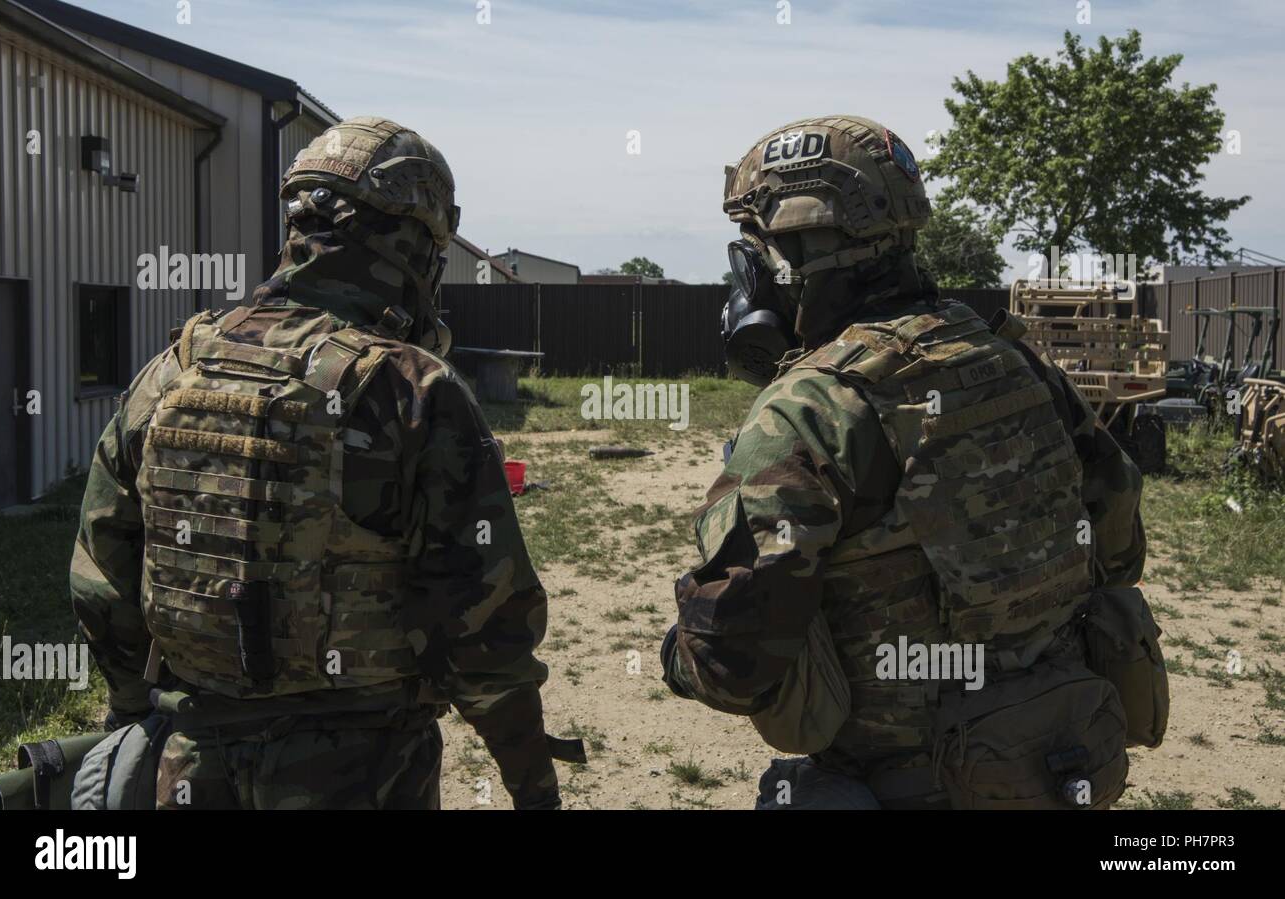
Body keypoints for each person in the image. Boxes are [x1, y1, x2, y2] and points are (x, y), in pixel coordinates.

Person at [70, 116, 564, 809]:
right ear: (411, 246)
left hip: (188, 765)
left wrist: (134, 714)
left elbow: (102, 578)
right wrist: (531, 783)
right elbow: (485, 629)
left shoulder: (172, 369)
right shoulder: (412, 389)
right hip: (363, 769)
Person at [660, 116, 1148, 809]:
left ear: (797, 251)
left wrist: (677, 654)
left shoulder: (808, 409)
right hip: (1059, 762)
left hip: (908, 783)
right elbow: (1121, 547)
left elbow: (734, 661)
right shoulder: (1018, 362)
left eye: (756, 245)